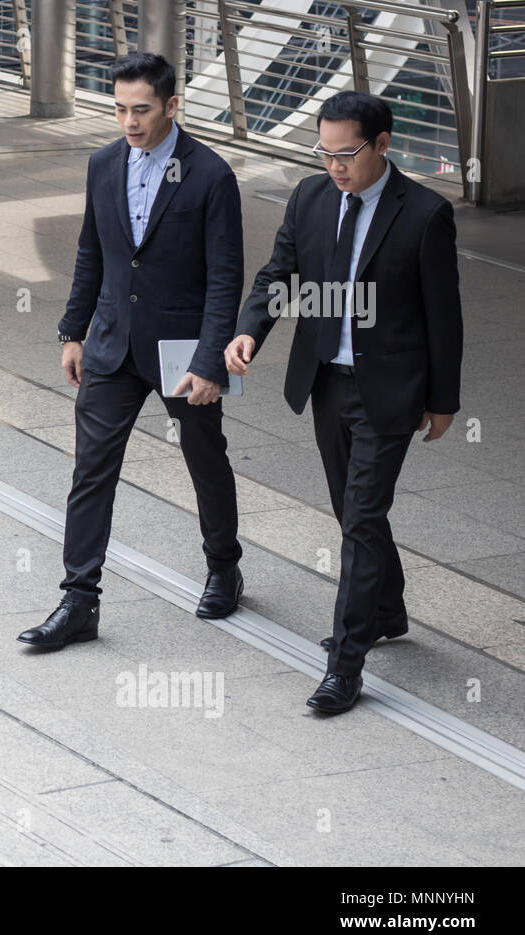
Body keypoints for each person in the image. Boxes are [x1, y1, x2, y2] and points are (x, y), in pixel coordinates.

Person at [225, 90, 463, 714]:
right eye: (324, 153)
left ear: (382, 145)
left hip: (390, 390)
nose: (334, 167)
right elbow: (278, 272)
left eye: (346, 154)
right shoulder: (309, 197)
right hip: (327, 379)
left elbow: (445, 317)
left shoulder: (425, 213)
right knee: (350, 509)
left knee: (359, 517)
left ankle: (344, 666)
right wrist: (252, 327)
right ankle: (387, 609)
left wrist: (444, 401)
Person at [18, 52, 244, 650]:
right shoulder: (103, 164)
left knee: (205, 459)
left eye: (141, 109)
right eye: (119, 109)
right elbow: (92, 251)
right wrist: (73, 331)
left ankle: (224, 566)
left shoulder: (211, 176)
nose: (129, 122)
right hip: (111, 345)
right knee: (91, 470)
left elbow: (226, 277)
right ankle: (78, 599)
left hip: (182, 349)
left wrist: (210, 361)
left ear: (172, 105)